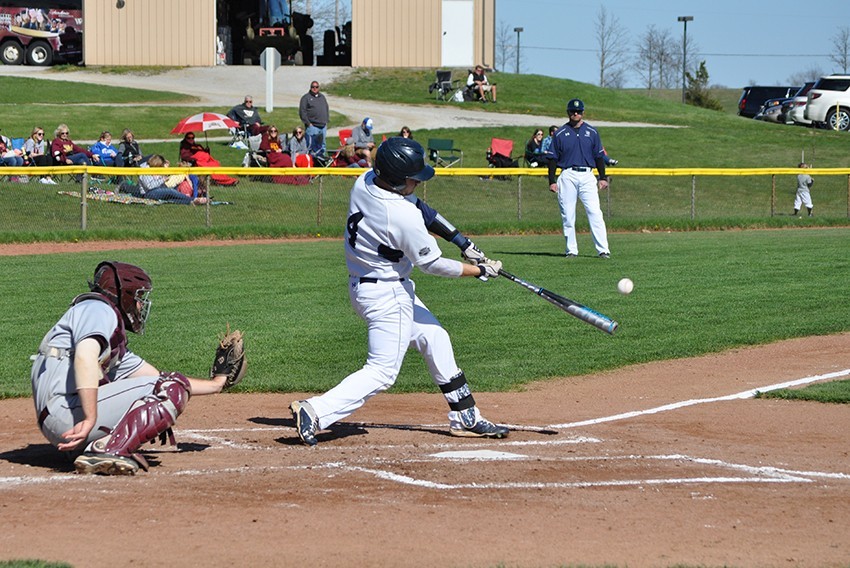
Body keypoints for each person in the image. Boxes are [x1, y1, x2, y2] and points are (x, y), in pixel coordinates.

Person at [289, 137, 509, 446]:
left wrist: (463, 243)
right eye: (412, 179)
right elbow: (432, 264)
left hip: (369, 286)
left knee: (435, 338)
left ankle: (465, 415)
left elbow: (423, 209)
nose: (417, 184)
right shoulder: (399, 216)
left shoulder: (365, 181)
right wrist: (480, 270)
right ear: (395, 180)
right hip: (387, 296)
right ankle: (315, 410)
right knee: (382, 371)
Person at [31, 261, 236, 475]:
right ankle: (108, 448)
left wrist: (216, 384)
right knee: (168, 388)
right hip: (67, 415)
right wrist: (91, 418)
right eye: (138, 298)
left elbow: (158, 379)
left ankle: (91, 446)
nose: (140, 305)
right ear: (124, 294)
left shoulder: (111, 337)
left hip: (65, 421)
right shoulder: (97, 308)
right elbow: (85, 357)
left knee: (167, 386)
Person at [548, 98, 611, 259]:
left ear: (583, 113)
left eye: (579, 111)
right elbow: (552, 158)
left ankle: (603, 249)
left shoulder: (592, 132)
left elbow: (599, 156)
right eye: (572, 111)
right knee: (568, 214)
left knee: (595, 212)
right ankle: (571, 250)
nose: (576, 114)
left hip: (588, 174)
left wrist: (602, 177)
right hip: (568, 174)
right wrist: (552, 180)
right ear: (568, 113)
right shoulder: (560, 133)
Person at [131, 154, 208, 205]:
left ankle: (190, 201)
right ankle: (193, 199)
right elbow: (150, 186)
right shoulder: (145, 171)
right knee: (170, 191)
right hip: (148, 193)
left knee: (171, 198)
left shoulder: (155, 170)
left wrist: (163, 175)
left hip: (159, 188)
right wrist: (163, 179)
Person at [299, 81, 330, 156]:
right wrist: (308, 124)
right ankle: (311, 162)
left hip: (323, 126)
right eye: (313, 87)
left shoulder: (322, 97)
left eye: (316, 87)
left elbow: (326, 108)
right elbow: (302, 112)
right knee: (311, 146)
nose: (314, 88)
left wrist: (326, 120)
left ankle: (322, 162)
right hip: (313, 127)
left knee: (322, 145)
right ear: (310, 87)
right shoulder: (306, 98)